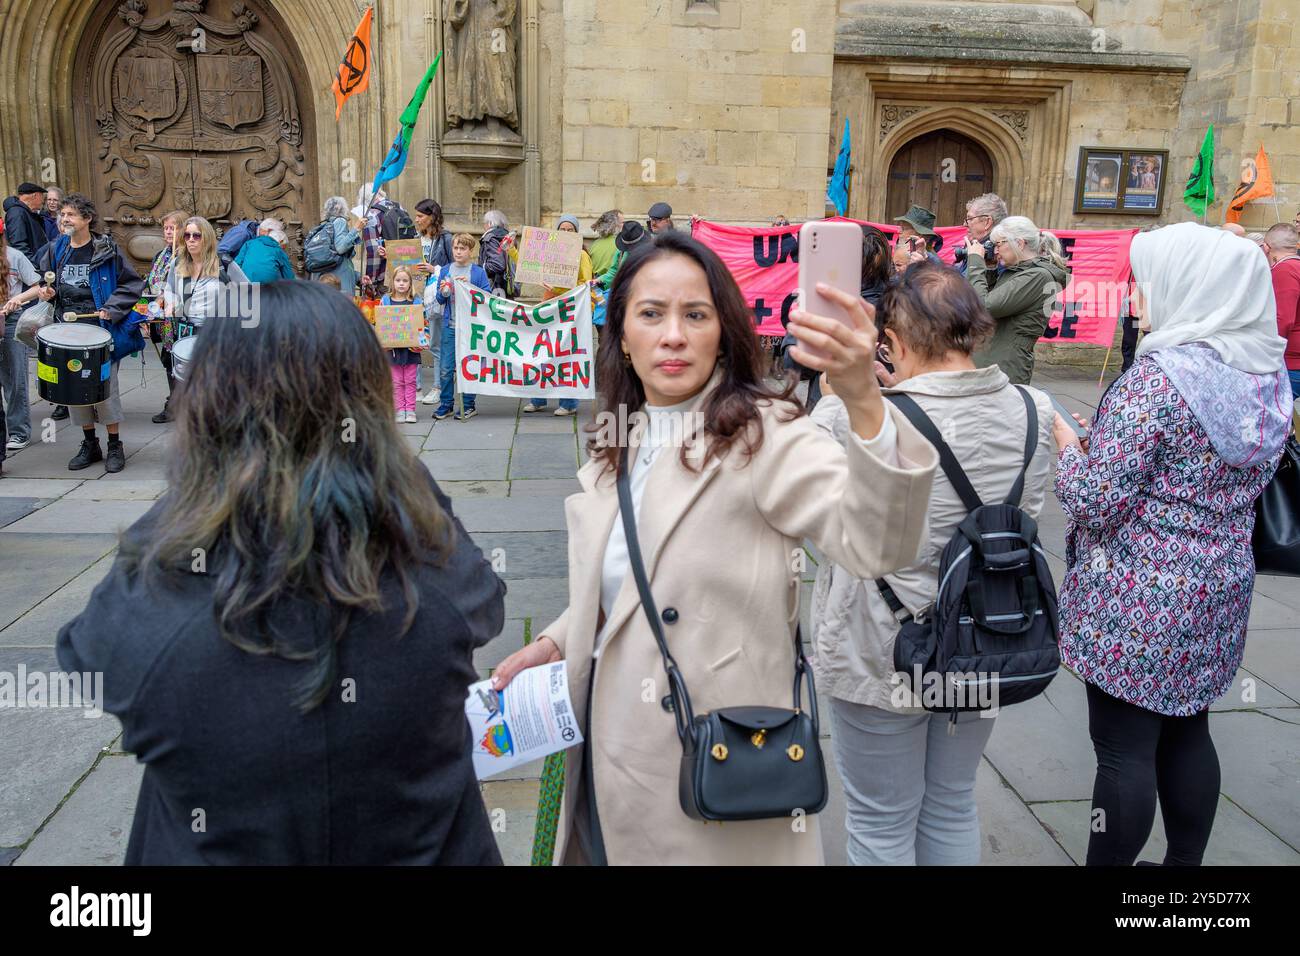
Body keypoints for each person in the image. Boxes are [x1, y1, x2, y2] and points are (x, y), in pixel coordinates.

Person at [490, 230, 939, 865]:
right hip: (607, 757)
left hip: (717, 769)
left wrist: (864, 396)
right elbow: (628, 579)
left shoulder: (767, 432)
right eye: (651, 314)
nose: (673, 335)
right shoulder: (618, 441)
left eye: (695, 315)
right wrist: (558, 639)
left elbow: (876, 547)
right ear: (620, 333)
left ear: (723, 332)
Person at [56, 281, 506, 864]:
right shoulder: (433, 579)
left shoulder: (156, 617)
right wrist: (385, 470)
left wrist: (206, 483)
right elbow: (484, 599)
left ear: (208, 402)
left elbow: (89, 650)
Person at [1054, 222, 1290, 866]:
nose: (1133, 295)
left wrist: (1068, 447)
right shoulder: (1264, 375)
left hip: (1141, 592)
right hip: (1219, 584)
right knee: (1188, 730)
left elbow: (1094, 498)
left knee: (1123, 752)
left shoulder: (1160, 378)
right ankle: (1182, 874)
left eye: (1146, 282)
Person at [811, 262, 1055, 866]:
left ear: (889, 344)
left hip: (882, 643)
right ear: (973, 332)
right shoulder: (1035, 409)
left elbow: (822, 531)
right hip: (986, 635)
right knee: (951, 801)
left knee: (879, 822)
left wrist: (844, 397)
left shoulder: (851, 417)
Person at [34, 193, 144, 474]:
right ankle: (89, 443)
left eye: (70, 215)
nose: (64, 219)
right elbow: (45, 282)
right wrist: (47, 293)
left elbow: (131, 284)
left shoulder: (105, 249)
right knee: (75, 389)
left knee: (106, 391)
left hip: (102, 331)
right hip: (68, 331)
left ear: (87, 219)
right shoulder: (57, 249)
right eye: (63, 215)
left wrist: (112, 307)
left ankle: (115, 445)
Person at [966, 215, 1069, 385]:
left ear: (1019, 243)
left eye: (998, 244)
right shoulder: (1018, 272)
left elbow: (984, 307)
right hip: (993, 365)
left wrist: (976, 263)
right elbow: (989, 299)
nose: (995, 251)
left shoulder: (1037, 276)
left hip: (1004, 368)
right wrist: (990, 268)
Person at [526, 215, 592, 417]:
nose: (565, 233)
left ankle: (569, 402)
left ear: (576, 233)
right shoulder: (550, 254)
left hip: (571, 312)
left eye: (569, 230)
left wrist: (557, 287)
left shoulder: (581, 255)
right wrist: (510, 250)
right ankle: (538, 399)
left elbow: (586, 284)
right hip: (549, 310)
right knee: (542, 353)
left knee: (567, 357)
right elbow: (529, 264)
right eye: (562, 229)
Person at [433, 233, 491, 422]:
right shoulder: (445, 270)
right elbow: (440, 299)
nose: (458, 251)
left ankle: (468, 404)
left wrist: (472, 289)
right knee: (446, 367)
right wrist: (443, 291)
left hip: (471, 328)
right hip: (451, 325)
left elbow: (486, 297)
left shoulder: (477, 272)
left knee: (470, 366)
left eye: (462, 248)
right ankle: (446, 404)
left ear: (470, 251)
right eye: (456, 248)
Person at [138, 210, 189, 423]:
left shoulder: (187, 256)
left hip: (179, 318)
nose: (168, 232)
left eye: (172, 227)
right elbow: (149, 284)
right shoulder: (161, 255)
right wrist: (142, 314)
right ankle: (175, 402)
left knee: (181, 362)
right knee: (167, 362)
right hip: (159, 318)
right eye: (166, 228)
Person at [162, 217, 248, 335]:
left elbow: (249, 292)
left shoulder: (223, 263)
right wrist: (172, 303)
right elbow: (170, 289)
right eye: (187, 235)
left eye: (196, 236)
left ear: (207, 238)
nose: (191, 240)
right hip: (186, 331)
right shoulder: (177, 263)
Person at [1, 222, 40, 453]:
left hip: (10, 319)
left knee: (14, 378)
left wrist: (19, 299)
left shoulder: (14, 256)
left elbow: (37, 286)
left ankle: (18, 431)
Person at [414, 199, 454, 405]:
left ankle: (438, 387)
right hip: (416, 296)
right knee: (414, 342)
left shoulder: (446, 238)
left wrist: (434, 269)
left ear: (431, 217)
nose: (417, 220)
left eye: (420, 216)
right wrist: (390, 256)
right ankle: (416, 387)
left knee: (436, 343)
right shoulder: (415, 238)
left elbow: (455, 268)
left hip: (437, 299)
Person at [383, 267, 425, 424]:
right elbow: (381, 322)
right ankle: (400, 410)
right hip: (392, 349)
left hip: (411, 349)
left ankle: (411, 410)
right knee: (396, 381)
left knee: (410, 380)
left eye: (405, 280)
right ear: (393, 282)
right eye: (398, 280)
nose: (401, 283)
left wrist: (421, 341)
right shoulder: (386, 300)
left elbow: (422, 322)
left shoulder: (415, 300)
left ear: (410, 283)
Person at [1262, 222, 1300, 394]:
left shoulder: (1285, 269)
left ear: (1266, 247)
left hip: (1291, 361)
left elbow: (1283, 319)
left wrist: (1266, 354)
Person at [355, 185, 412, 290]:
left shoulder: (371, 214)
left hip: (385, 278)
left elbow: (373, 251)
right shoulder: (399, 207)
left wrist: (371, 282)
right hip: (406, 272)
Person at [309, 196, 361, 297]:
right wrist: (356, 229)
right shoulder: (340, 221)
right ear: (339, 208)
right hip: (340, 288)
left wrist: (358, 277)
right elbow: (341, 248)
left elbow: (339, 262)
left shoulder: (325, 226)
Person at [955, 192, 1006, 278]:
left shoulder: (994, 256)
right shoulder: (979, 246)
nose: (965, 224)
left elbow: (963, 287)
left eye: (970, 218)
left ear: (987, 222)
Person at [235, 218, 296, 282]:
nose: (283, 250)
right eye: (283, 247)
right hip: (268, 288)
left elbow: (237, 263)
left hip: (245, 284)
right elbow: (289, 278)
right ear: (280, 242)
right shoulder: (279, 251)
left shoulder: (250, 243)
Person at [4, 182, 49, 264]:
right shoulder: (17, 213)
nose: (43, 201)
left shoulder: (26, 212)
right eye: (42, 196)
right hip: (31, 267)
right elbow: (18, 244)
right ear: (35, 195)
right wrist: (33, 265)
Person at [478, 209, 514, 296]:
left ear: (490, 223)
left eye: (485, 223)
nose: (484, 226)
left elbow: (498, 264)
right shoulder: (508, 238)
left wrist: (481, 268)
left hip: (494, 286)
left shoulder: (491, 239)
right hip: (508, 286)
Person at [588, 209, 623, 279]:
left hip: (593, 283)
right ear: (614, 225)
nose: (624, 225)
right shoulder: (620, 244)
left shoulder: (595, 244)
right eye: (622, 222)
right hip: (609, 284)